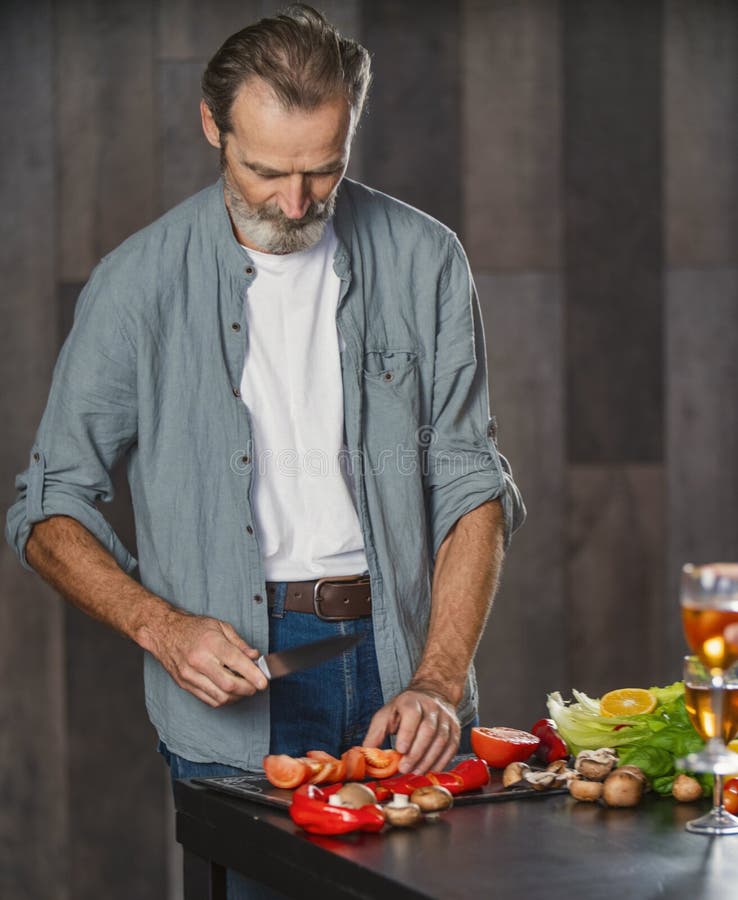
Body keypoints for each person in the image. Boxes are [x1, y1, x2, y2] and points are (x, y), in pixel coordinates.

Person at [6, 6, 524, 893]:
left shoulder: (427, 259)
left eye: (325, 171)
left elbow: (473, 482)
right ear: (214, 126)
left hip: (401, 662)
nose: (295, 203)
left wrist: (439, 677)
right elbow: (48, 508)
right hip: (232, 685)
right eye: (265, 171)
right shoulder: (137, 284)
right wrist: (160, 628)